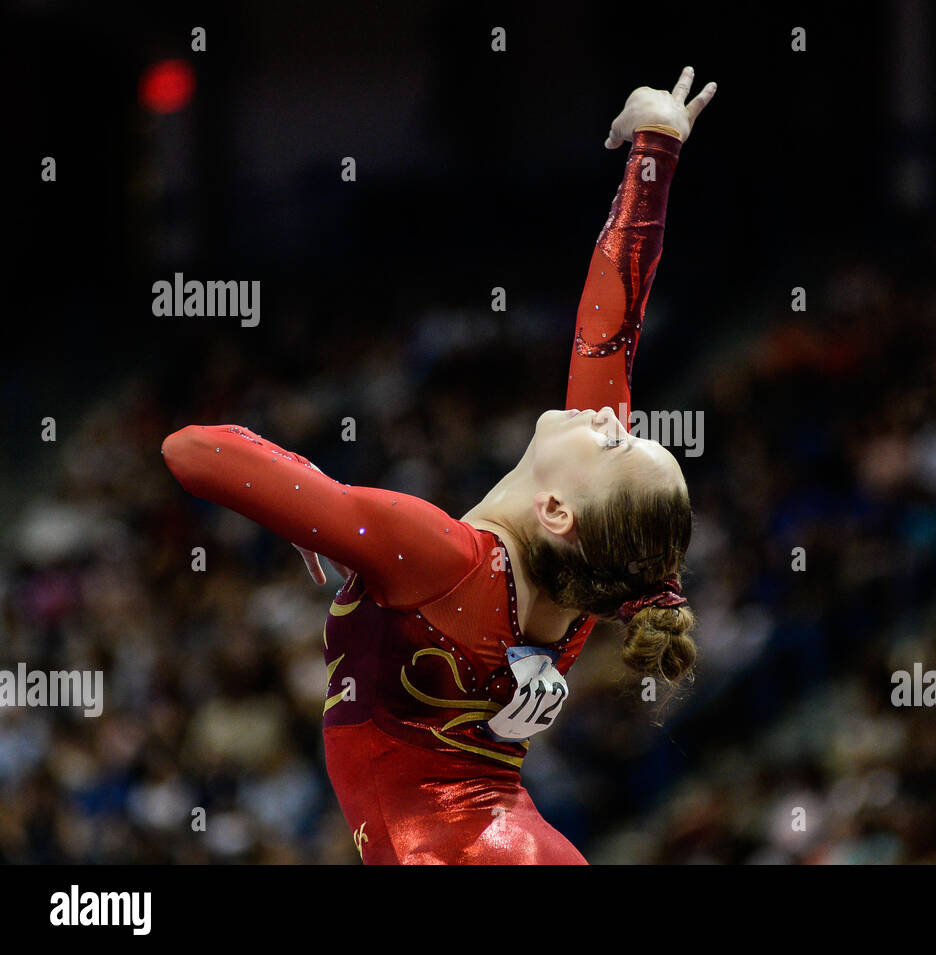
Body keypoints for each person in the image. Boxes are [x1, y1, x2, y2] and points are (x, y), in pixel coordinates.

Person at [162, 67, 717, 864]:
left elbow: (191, 451)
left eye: (619, 439)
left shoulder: (437, 555)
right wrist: (655, 147)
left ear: (559, 509)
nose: (609, 414)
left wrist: (305, 490)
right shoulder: (581, 572)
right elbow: (612, 332)